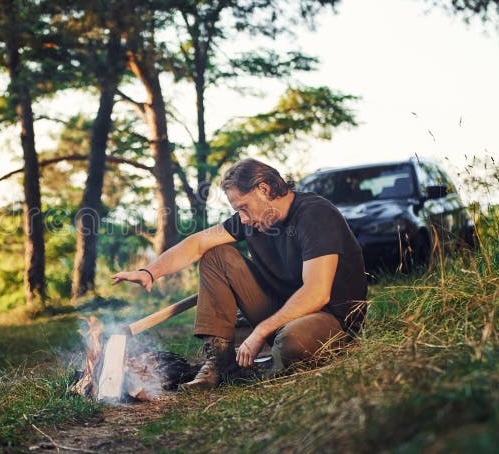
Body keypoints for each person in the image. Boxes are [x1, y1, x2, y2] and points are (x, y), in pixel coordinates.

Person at [112, 158, 367, 390]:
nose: (241, 218)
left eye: (243, 207)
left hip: (329, 318)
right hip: (282, 311)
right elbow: (199, 243)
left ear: (264, 190)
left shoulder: (315, 214)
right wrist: (149, 271)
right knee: (215, 255)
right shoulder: (253, 220)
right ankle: (221, 363)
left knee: (293, 341)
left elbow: (316, 293)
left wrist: (259, 332)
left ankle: (260, 372)